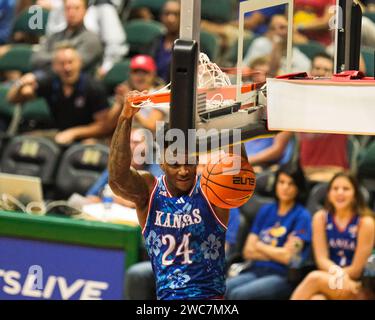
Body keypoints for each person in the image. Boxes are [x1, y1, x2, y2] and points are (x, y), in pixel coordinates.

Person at [108, 90, 250, 300]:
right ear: (162, 162)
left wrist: (230, 116)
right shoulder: (149, 190)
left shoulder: (213, 190)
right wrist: (125, 117)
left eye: (189, 163)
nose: (183, 170)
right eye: (175, 164)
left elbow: (240, 172)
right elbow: (118, 177)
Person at [225, 163, 312, 300]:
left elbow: (289, 258)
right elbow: (248, 251)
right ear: (276, 184)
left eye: (291, 184)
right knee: (223, 289)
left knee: (239, 295)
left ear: (298, 188)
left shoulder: (302, 216)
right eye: (281, 182)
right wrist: (278, 251)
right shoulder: (266, 210)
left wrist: (259, 246)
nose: (285, 187)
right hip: (254, 270)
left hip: (282, 276)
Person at [291, 172, 375, 300]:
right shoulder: (320, 218)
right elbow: (321, 259)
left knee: (314, 278)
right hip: (329, 279)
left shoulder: (366, 222)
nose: (340, 193)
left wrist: (339, 275)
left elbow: (357, 269)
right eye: (335, 189)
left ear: (355, 195)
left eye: (346, 189)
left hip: (355, 284)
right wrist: (337, 273)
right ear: (329, 194)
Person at [7, 44, 110, 145]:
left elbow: (104, 126)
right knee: (24, 142)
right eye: (62, 63)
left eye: (70, 62)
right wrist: (21, 83)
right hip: (59, 133)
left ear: (80, 63)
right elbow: (12, 100)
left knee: (87, 149)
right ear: (54, 66)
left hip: (89, 137)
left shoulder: (93, 87)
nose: (67, 68)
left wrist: (74, 133)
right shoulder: (51, 81)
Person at [297, 53, 350, 183]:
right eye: (317, 68)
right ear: (310, 72)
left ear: (333, 75)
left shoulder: (342, 99)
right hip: (304, 172)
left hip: (333, 172)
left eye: (326, 70)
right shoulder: (299, 100)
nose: (320, 72)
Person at [31, 0, 103, 71]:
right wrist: (60, 59)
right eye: (68, 8)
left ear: (85, 11)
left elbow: (71, 67)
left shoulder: (91, 39)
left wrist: (37, 77)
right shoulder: (55, 36)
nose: (71, 13)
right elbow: (36, 59)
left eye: (76, 8)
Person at [243, 15, 311, 75]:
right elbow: (246, 70)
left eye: (282, 27)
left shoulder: (297, 56)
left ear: (292, 30)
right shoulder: (260, 44)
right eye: (272, 28)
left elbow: (304, 71)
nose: (277, 30)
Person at [151, 0, 180, 83]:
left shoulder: (191, 46)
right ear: (161, 16)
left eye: (176, 14)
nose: (171, 19)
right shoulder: (154, 42)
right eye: (167, 14)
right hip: (153, 90)